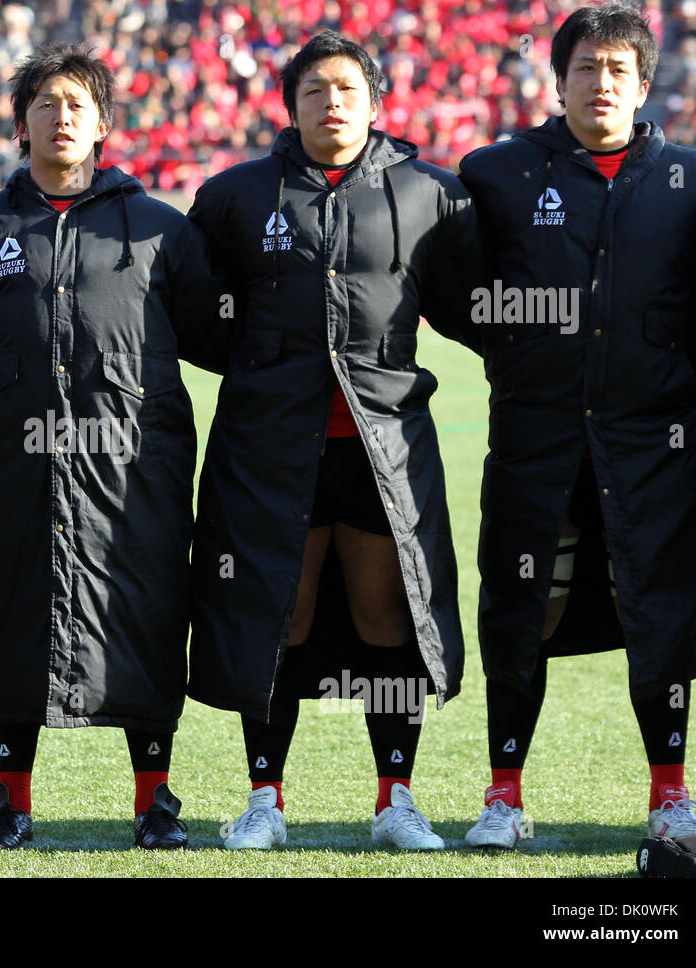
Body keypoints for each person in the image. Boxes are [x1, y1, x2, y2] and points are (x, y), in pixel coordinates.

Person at [0, 43, 226, 849]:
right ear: (21, 125)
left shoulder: (161, 231)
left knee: (149, 618)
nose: (61, 118)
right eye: (45, 105)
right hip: (21, 469)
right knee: (15, 613)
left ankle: (155, 802)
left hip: (136, 475)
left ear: (103, 127)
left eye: (76, 106)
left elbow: (219, 339)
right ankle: (10, 802)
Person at [187, 30, 483, 851]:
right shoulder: (235, 196)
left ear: (377, 102)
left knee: (388, 617)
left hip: (383, 446)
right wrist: (263, 371)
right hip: (268, 448)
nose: (332, 102)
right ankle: (263, 800)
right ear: (291, 105)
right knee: (279, 614)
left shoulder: (431, 193)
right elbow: (194, 312)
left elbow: (471, 305)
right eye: (315, 89)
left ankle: (396, 799)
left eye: (347, 88)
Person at [458, 0, 696, 848]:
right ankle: (503, 793)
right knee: (521, 607)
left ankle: (671, 793)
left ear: (644, 83)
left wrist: (676, 380)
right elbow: (459, 291)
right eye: (586, 67)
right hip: (537, 442)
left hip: (658, 445)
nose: (601, 83)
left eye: (618, 70)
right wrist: (520, 360)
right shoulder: (497, 173)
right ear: (560, 78)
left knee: (665, 611)